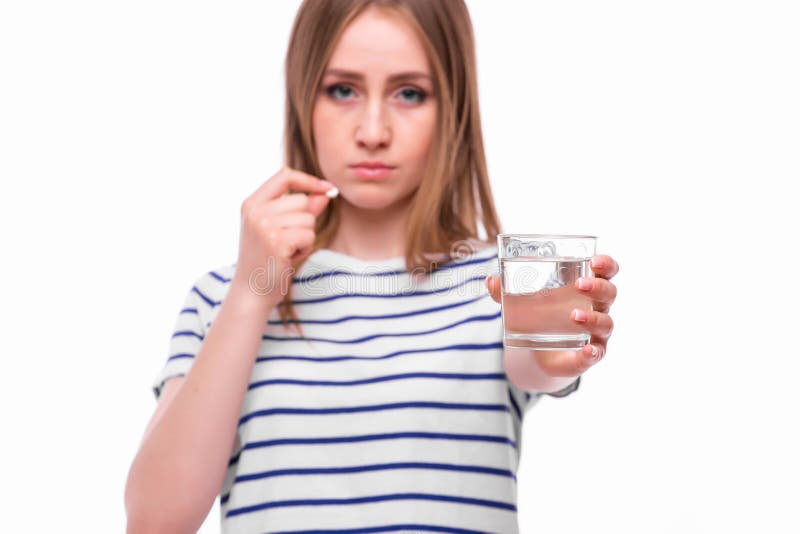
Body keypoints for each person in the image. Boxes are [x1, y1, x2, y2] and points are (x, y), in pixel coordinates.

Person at [124, 1, 619, 532]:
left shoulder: (498, 287)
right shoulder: (223, 297)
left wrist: (554, 346)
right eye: (343, 90)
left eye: (410, 93)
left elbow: (534, 364)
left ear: (453, 107)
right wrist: (250, 294)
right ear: (302, 98)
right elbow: (155, 521)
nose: (373, 131)